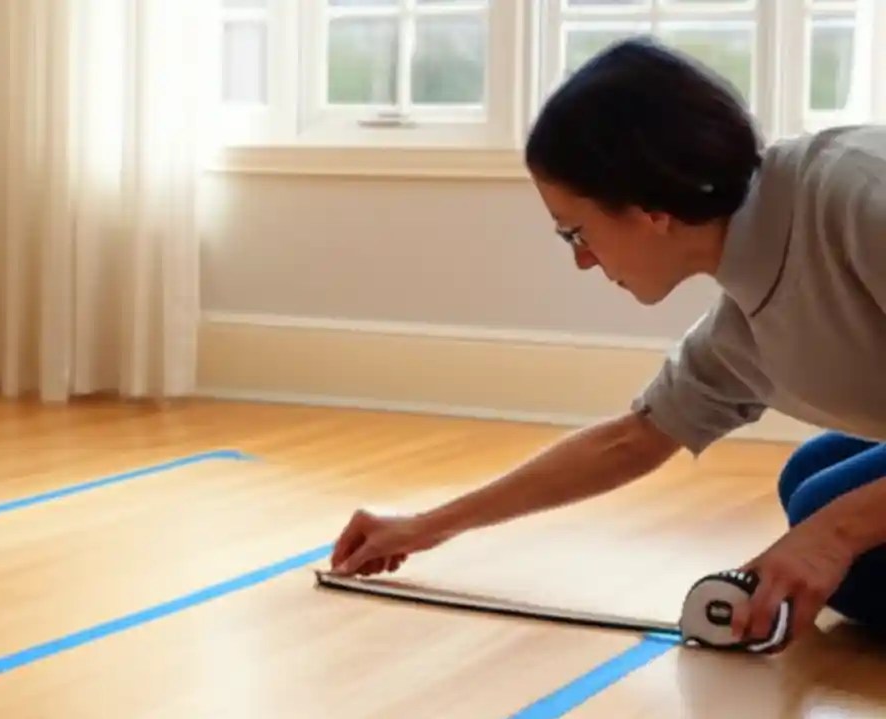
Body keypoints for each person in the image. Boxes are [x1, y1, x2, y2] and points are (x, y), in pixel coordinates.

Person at [327, 36, 886, 648]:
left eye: (575, 232)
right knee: (814, 477)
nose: (584, 261)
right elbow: (631, 439)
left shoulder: (858, 196)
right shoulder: (745, 322)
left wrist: (835, 534)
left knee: (832, 521)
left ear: (649, 210)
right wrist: (424, 528)